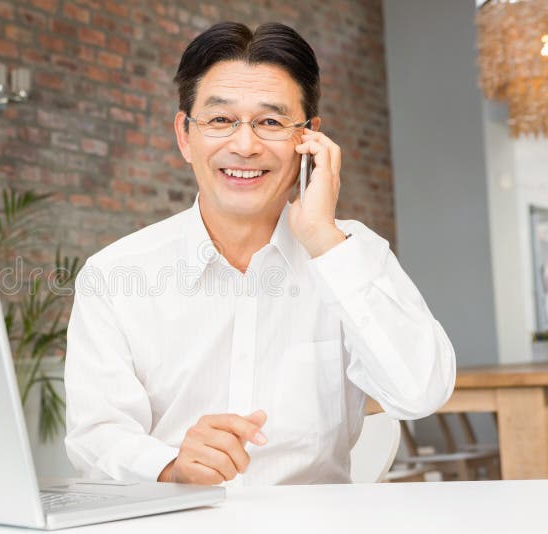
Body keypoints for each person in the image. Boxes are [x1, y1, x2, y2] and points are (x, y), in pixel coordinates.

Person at [63, 21, 455, 486]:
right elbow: (96, 435)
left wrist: (322, 240)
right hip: (177, 516)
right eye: (220, 120)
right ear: (185, 135)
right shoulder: (114, 274)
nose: (245, 146)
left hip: (314, 520)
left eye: (270, 122)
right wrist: (170, 467)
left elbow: (420, 393)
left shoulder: (351, 253)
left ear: (309, 139)